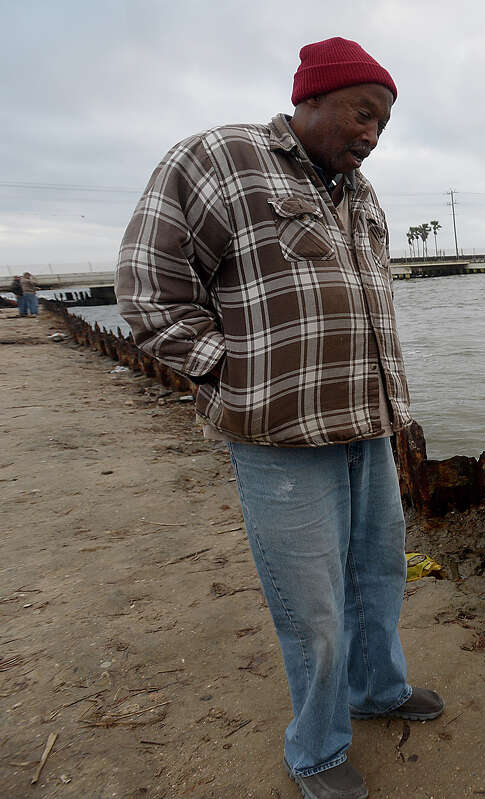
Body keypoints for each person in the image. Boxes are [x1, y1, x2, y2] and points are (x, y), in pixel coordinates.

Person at [117, 37, 442, 799]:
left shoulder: (360, 192)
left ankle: (377, 689)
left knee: (378, 574)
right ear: (310, 98)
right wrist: (229, 373)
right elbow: (148, 289)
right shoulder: (219, 159)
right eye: (362, 114)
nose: (372, 134)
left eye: (383, 123)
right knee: (312, 609)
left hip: (367, 425)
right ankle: (318, 750)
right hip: (278, 438)